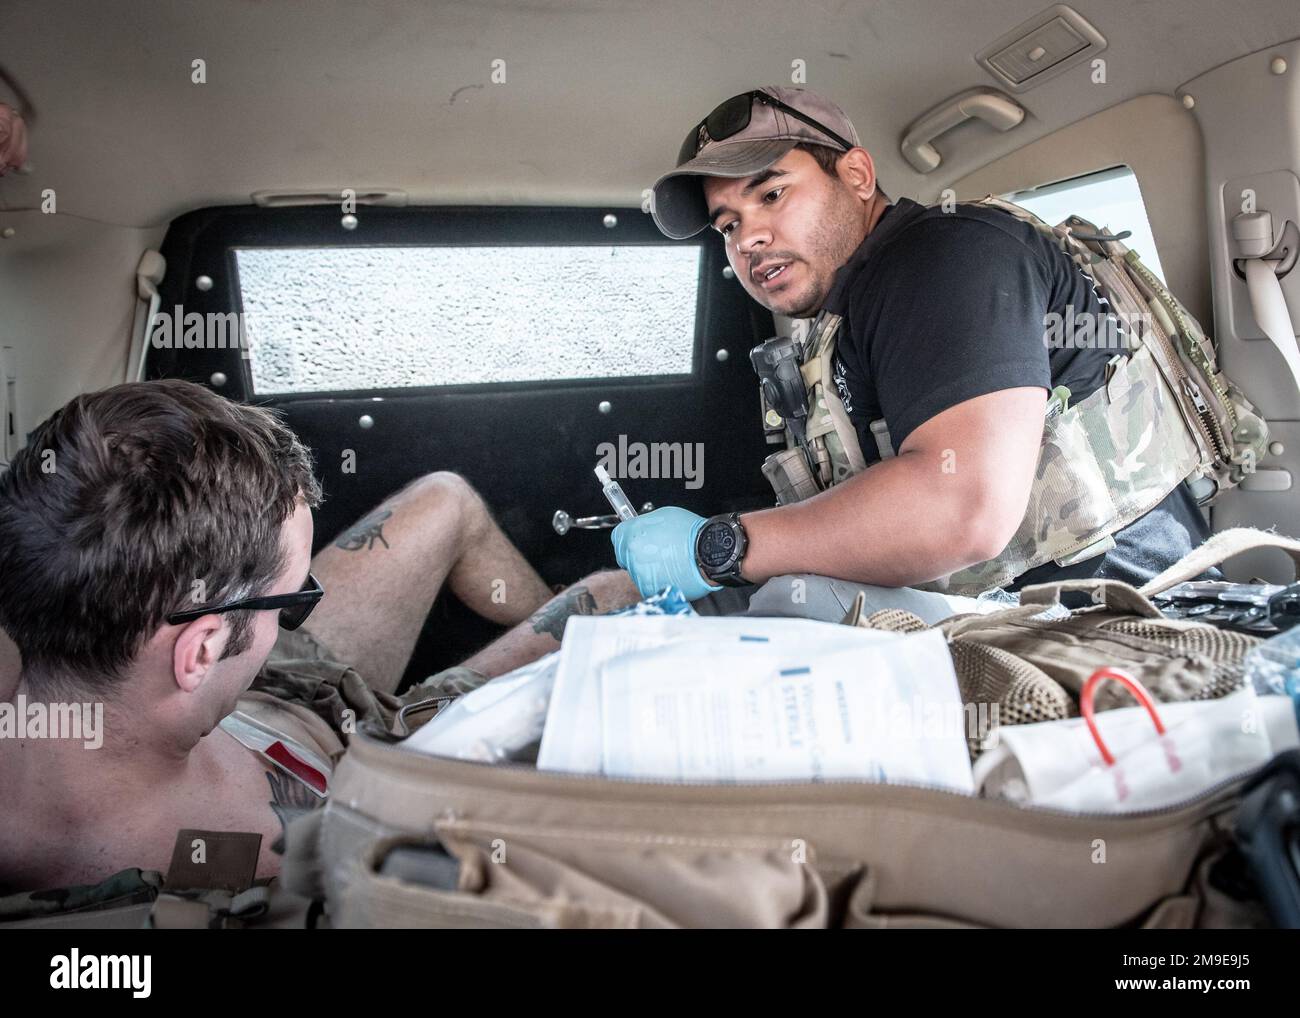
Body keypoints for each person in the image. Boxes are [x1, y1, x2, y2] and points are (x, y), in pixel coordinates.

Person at [0, 379, 639, 890]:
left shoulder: (56, 637)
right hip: (376, 758)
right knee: (614, 596)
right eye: (295, 598)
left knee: (446, 498)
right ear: (200, 650)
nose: (309, 599)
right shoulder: (242, 864)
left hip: (258, 692)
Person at [614, 86, 1216, 621]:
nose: (749, 239)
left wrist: (717, 548)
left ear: (856, 175)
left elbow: (963, 508)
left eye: (772, 194)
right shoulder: (849, 313)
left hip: (1112, 629)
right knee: (627, 613)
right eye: (728, 226)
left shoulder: (947, 259)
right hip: (992, 621)